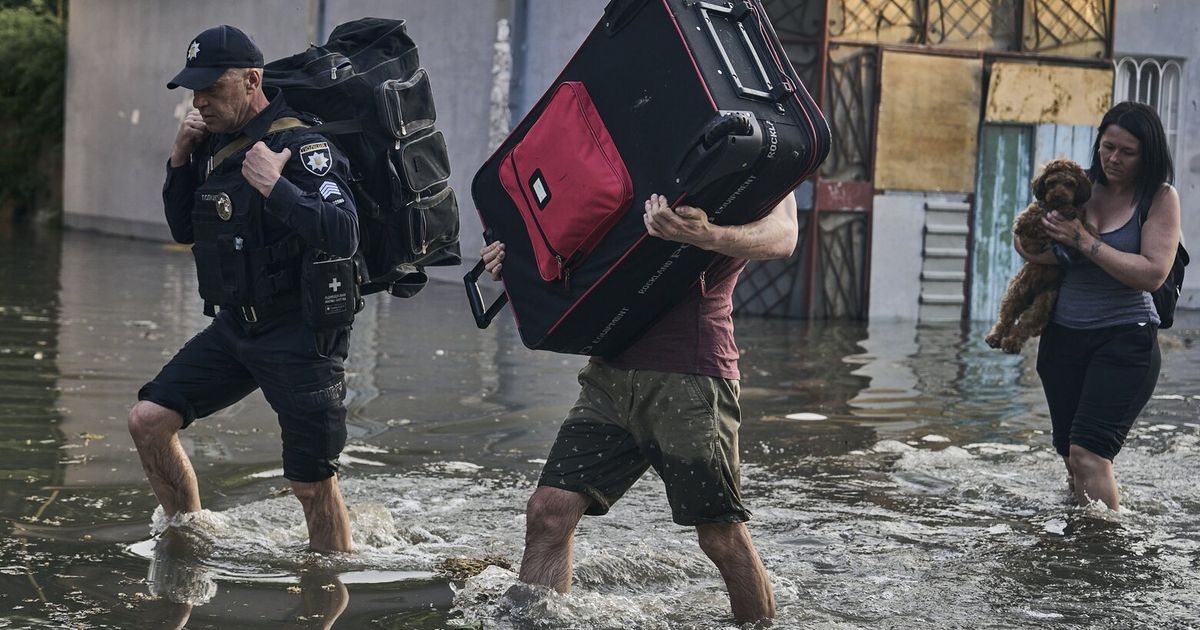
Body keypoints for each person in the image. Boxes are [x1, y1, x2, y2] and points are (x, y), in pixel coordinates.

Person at [481, 192, 797, 623]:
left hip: (691, 373)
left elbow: (783, 236)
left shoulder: (757, 145)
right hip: (610, 369)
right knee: (549, 512)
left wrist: (706, 234)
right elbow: (573, 234)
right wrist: (520, 263)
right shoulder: (624, 133)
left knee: (720, 536)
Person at [128, 25, 360, 551]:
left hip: (301, 334)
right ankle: (188, 537)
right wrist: (181, 158)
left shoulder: (303, 145)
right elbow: (186, 230)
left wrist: (276, 188)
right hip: (237, 327)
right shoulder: (214, 143)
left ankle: (328, 592)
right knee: (148, 419)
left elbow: (345, 232)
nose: (200, 101)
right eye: (194, 90)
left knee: (311, 484)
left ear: (252, 79)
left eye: (212, 88)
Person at [1015, 101, 1181, 511]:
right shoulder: (1078, 185)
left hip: (1126, 340)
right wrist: (1036, 242)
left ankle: (1107, 555)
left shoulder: (1159, 197)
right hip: (1064, 337)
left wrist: (1085, 243)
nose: (1114, 159)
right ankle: (1074, 557)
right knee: (1071, 458)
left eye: (1127, 151)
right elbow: (1028, 243)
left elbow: (1152, 272)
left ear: (1148, 154)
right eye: (1108, 147)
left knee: (1090, 455)